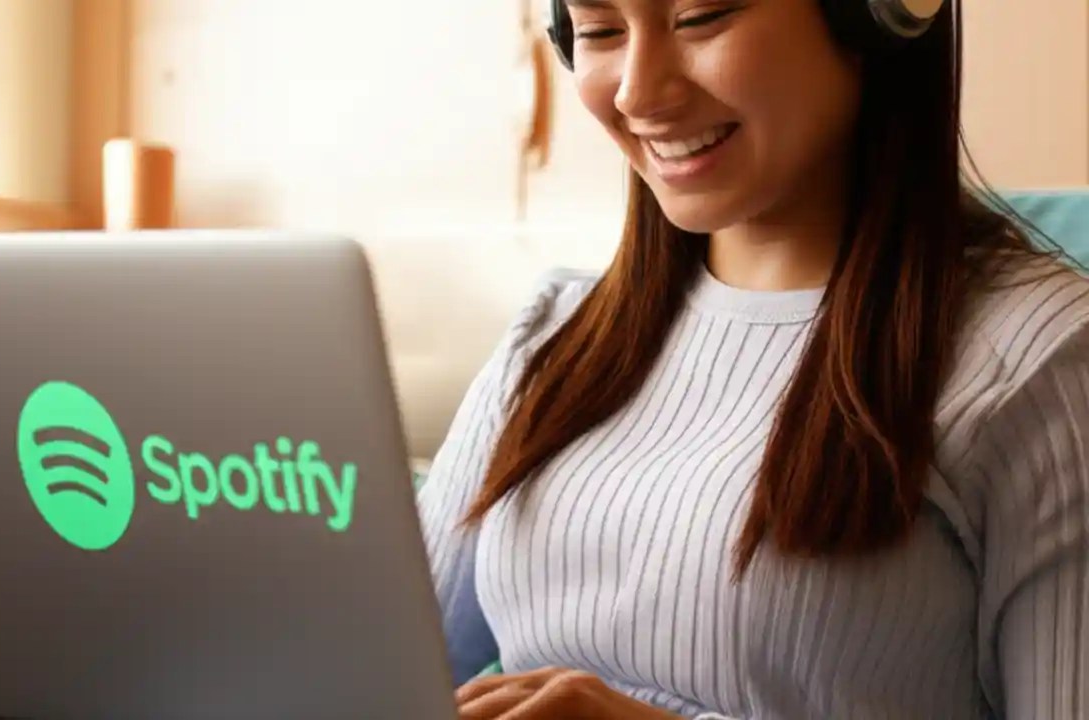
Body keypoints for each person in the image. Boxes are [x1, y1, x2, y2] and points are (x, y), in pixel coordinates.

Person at [415, 0, 1089, 718]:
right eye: (601, 30)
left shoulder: (1044, 364)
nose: (638, 92)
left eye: (701, 17)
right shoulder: (550, 340)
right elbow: (370, 668)